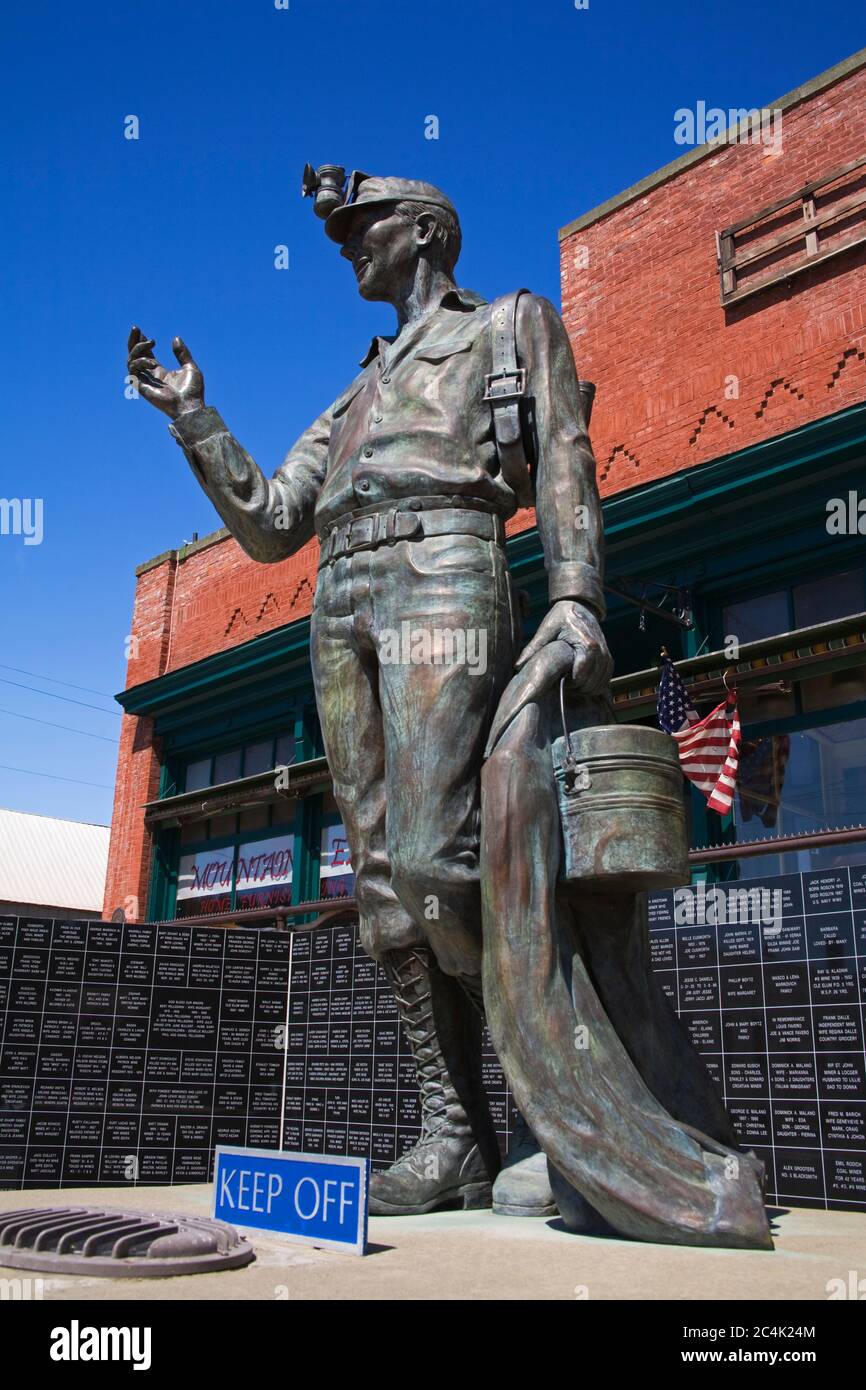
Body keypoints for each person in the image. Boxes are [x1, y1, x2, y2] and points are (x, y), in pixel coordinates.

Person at [126, 170, 612, 1216]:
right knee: (383, 883)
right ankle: (454, 1135)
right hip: (338, 596)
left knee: (440, 860)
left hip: (443, 568)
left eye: (364, 224)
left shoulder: (508, 326)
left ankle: (551, 1112)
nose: (347, 243)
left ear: (426, 230)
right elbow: (266, 523)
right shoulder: (352, 394)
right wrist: (195, 420)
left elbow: (565, 460)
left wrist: (574, 597)